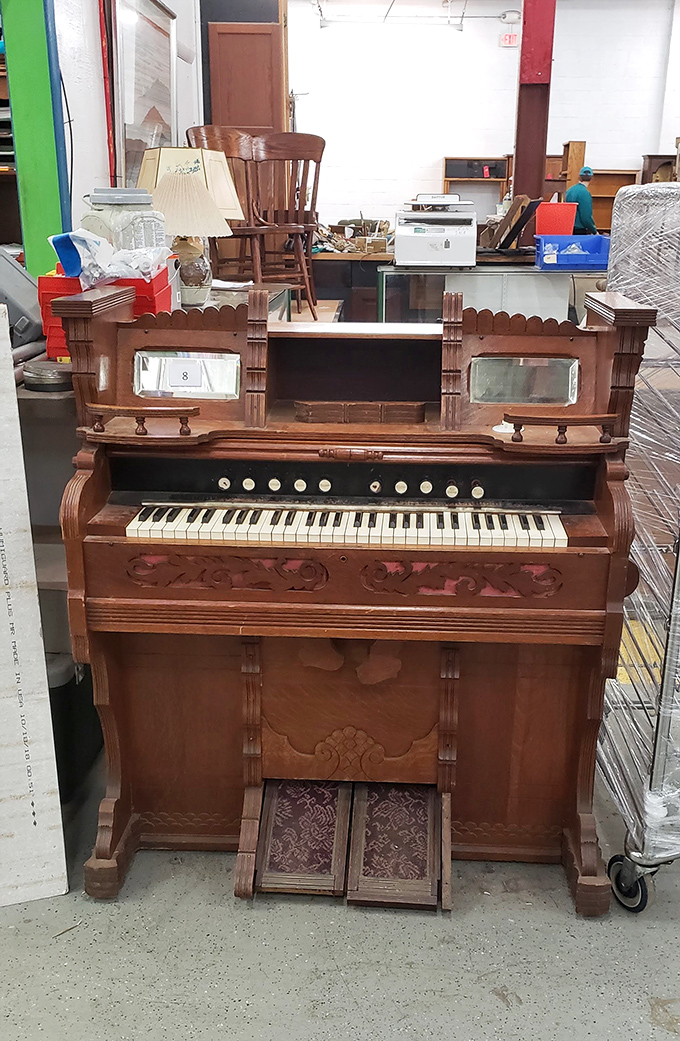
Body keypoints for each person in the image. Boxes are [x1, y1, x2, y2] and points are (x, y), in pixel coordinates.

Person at [566, 166, 598, 235]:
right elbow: (586, 217)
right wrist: (594, 230)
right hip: (579, 231)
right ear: (592, 178)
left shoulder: (569, 191)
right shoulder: (585, 193)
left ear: (579, 177)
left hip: (567, 229)